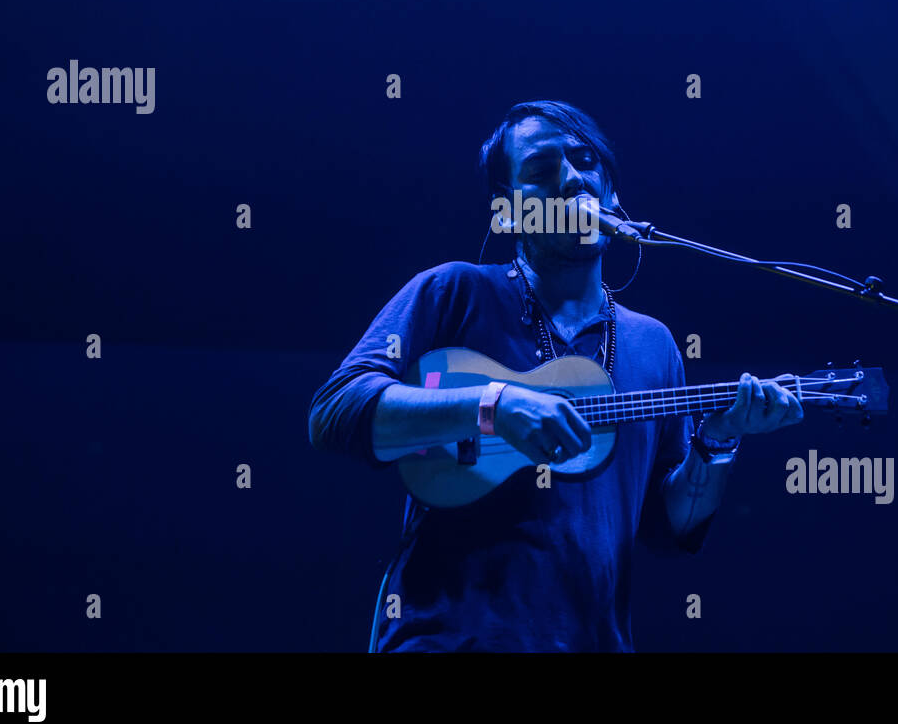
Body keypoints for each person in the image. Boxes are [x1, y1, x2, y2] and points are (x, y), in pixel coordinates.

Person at [308, 100, 802, 651]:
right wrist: (494, 406)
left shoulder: (654, 345)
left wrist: (717, 443)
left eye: (585, 161)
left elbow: (671, 527)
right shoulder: (454, 292)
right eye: (542, 172)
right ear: (508, 210)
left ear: (612, 193)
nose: (571, 180)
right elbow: (336, 410)